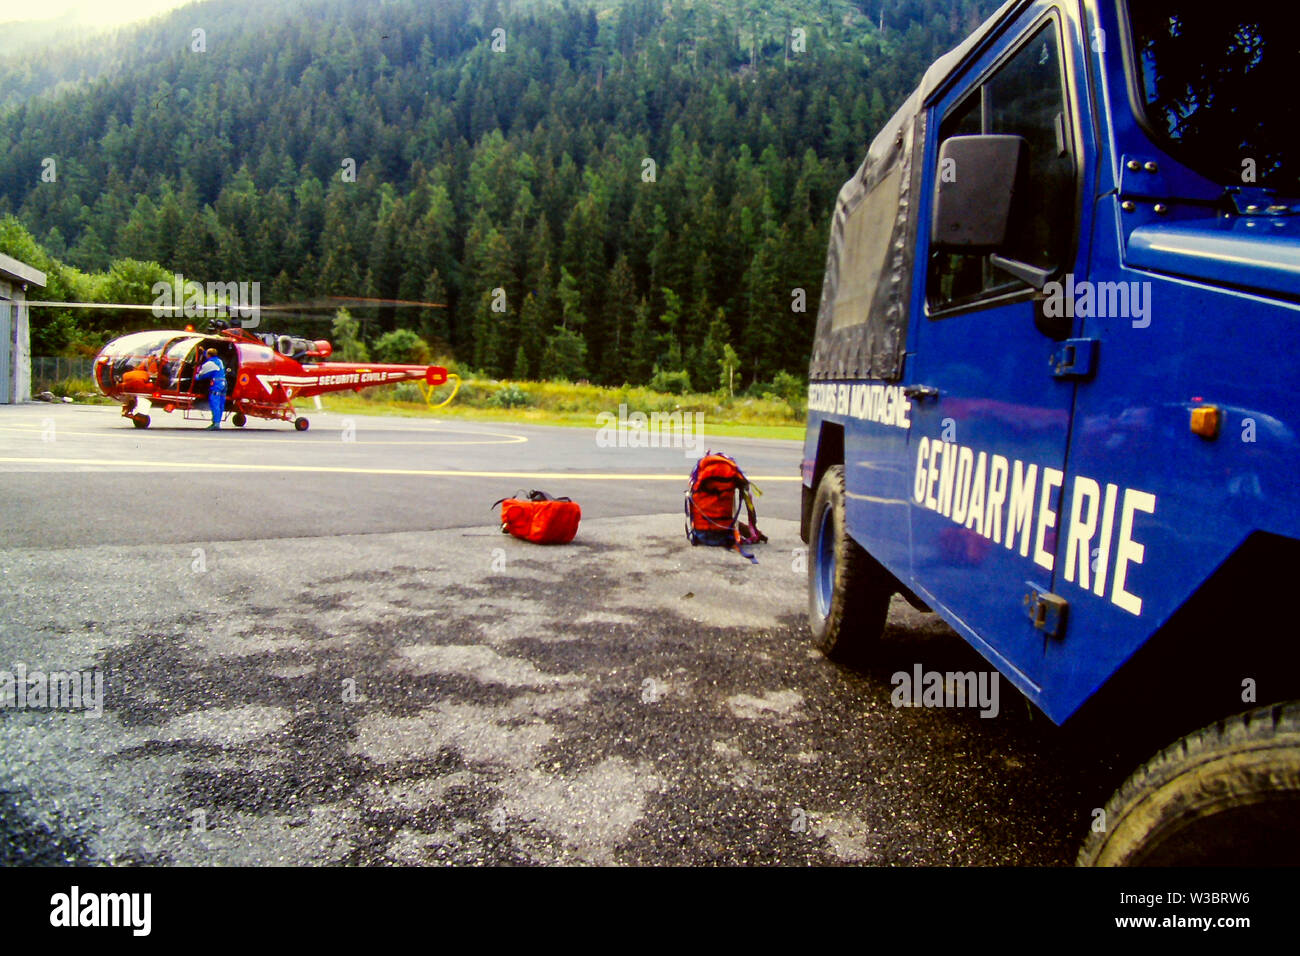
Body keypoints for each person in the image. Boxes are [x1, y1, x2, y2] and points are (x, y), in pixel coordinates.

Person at [194, 347, 227, 429]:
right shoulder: (219, 361)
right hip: (224, 383)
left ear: (209, 355)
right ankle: (217, 422)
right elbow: (210, 355)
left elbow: (201, 376)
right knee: (220, 404)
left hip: (216, 384)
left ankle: (216, 424)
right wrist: (203, 351)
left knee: (214, 403)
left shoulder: (209, 364)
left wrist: (195, 376)